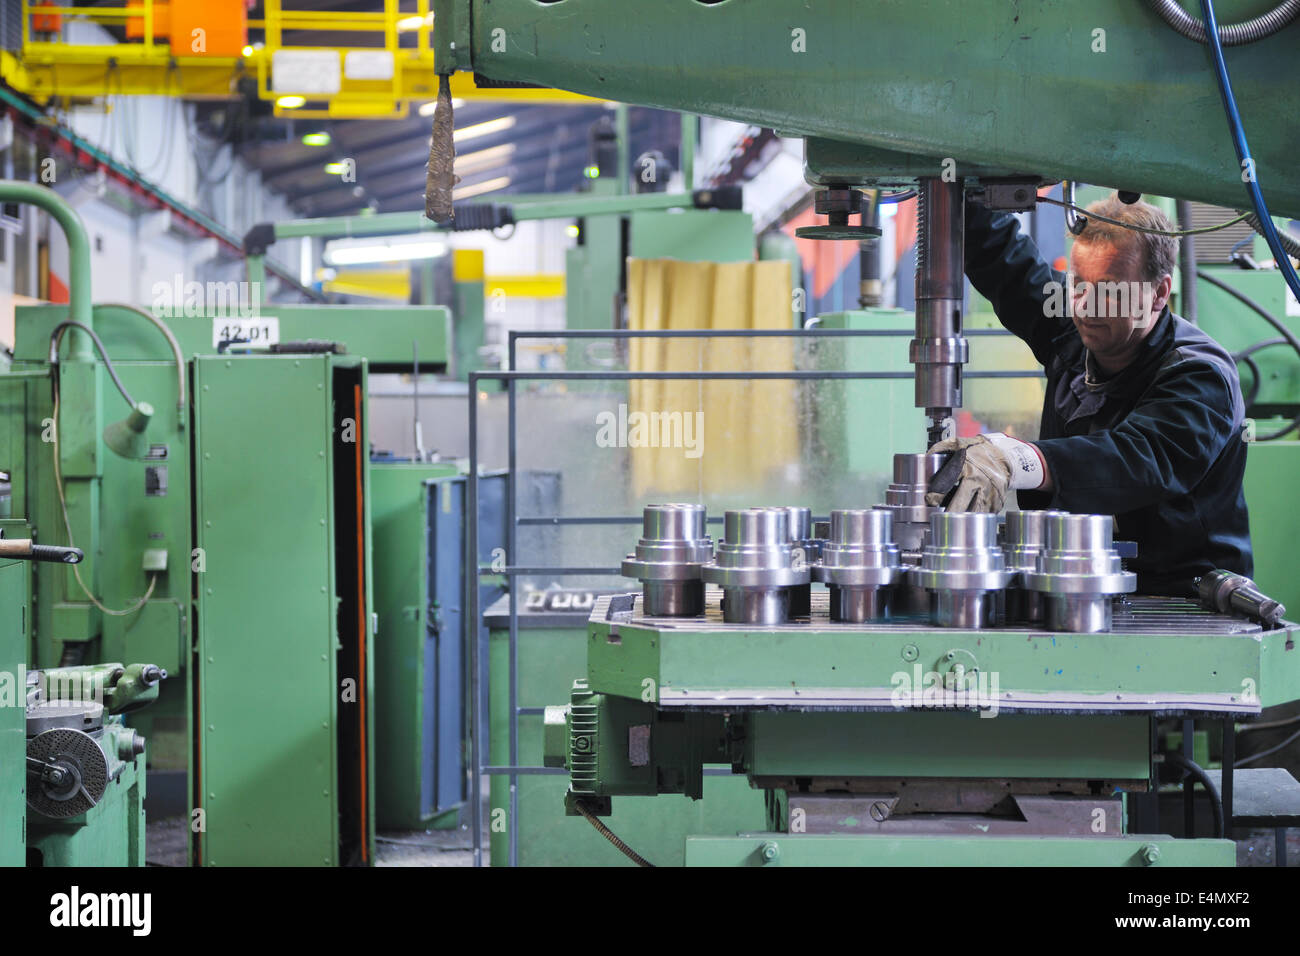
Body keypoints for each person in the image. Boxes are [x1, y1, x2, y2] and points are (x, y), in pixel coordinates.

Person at [926, 192, 1252, 596]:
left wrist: (1017, 457)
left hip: (1182, 596)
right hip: (1078, 580)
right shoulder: (1072, 328)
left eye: (1112, 290)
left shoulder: (1200, 375)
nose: (1086, 306)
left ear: (1159, 292)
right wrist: (958, 188)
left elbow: (1137, 458)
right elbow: (1002, 260)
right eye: (1078, 284)